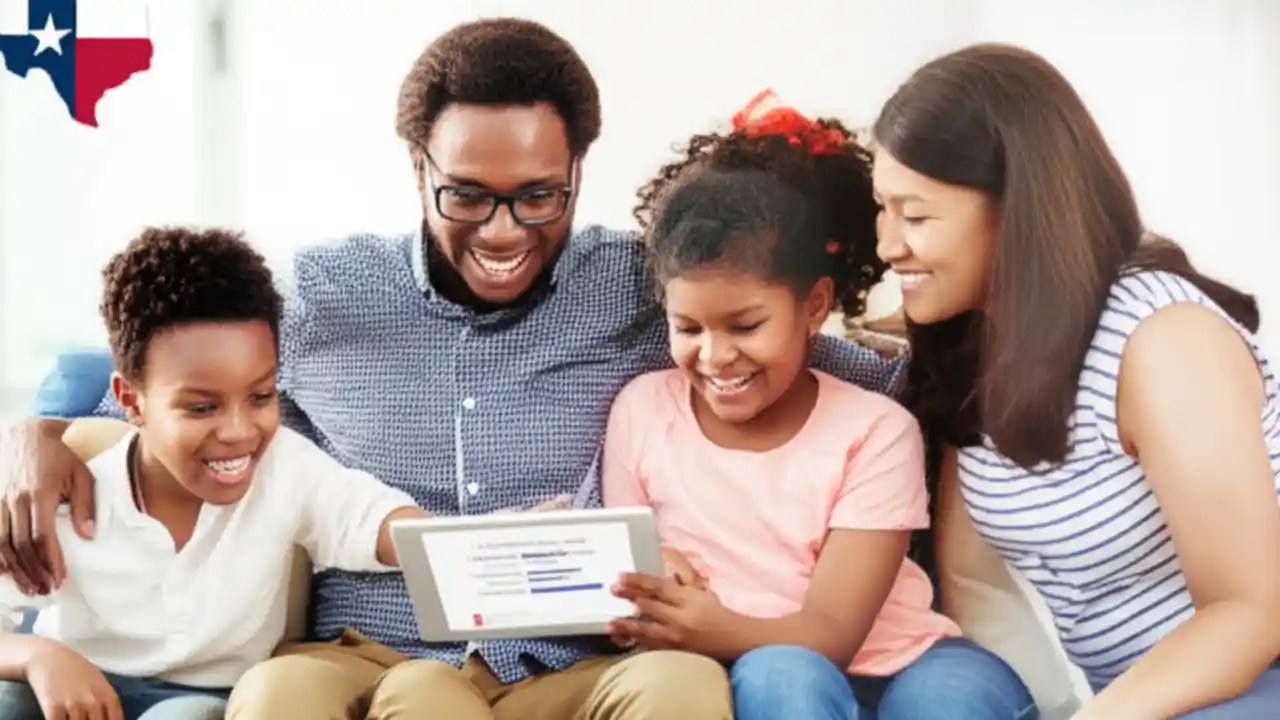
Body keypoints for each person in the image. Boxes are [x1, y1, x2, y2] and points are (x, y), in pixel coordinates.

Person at [0, 19, 906, 719]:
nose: (504, 231)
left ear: (578, 170)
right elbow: (158, 368)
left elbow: (830, 354)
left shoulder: (645, 288)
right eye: (466, 194)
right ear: (417, 164)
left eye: (538, 196)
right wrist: (39, 430)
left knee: (679, 686)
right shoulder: (319, 295)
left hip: (577, 658)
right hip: (367, 650)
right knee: (277, 698)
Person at [872, 43, 1280, 718]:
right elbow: (979, 585)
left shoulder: (1162, 339)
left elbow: (1252, 612)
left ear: (1018, 209)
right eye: (881, 210)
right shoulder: (974, 345)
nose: (888, 245)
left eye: (915, 216)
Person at [601, 92, 1037, 720]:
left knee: (953, 700)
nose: (715, 356)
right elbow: (625, 569)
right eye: (688, 328)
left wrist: (714, 626)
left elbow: (834, 631)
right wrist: (650, 580)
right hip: (767, 676)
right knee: (784, 678)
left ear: (813, 307)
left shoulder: (875, 430)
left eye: (746, 327)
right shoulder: (643, 411)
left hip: (902, 658)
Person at [0, 227, 423, 720]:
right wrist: (38, 655)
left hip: (205, 702)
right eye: (202, 408)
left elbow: (368, 519)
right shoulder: (68, 490)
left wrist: (478, 539)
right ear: (131, 400)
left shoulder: (284, 465)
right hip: (78, 684)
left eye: (261, 397)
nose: (240, 432)